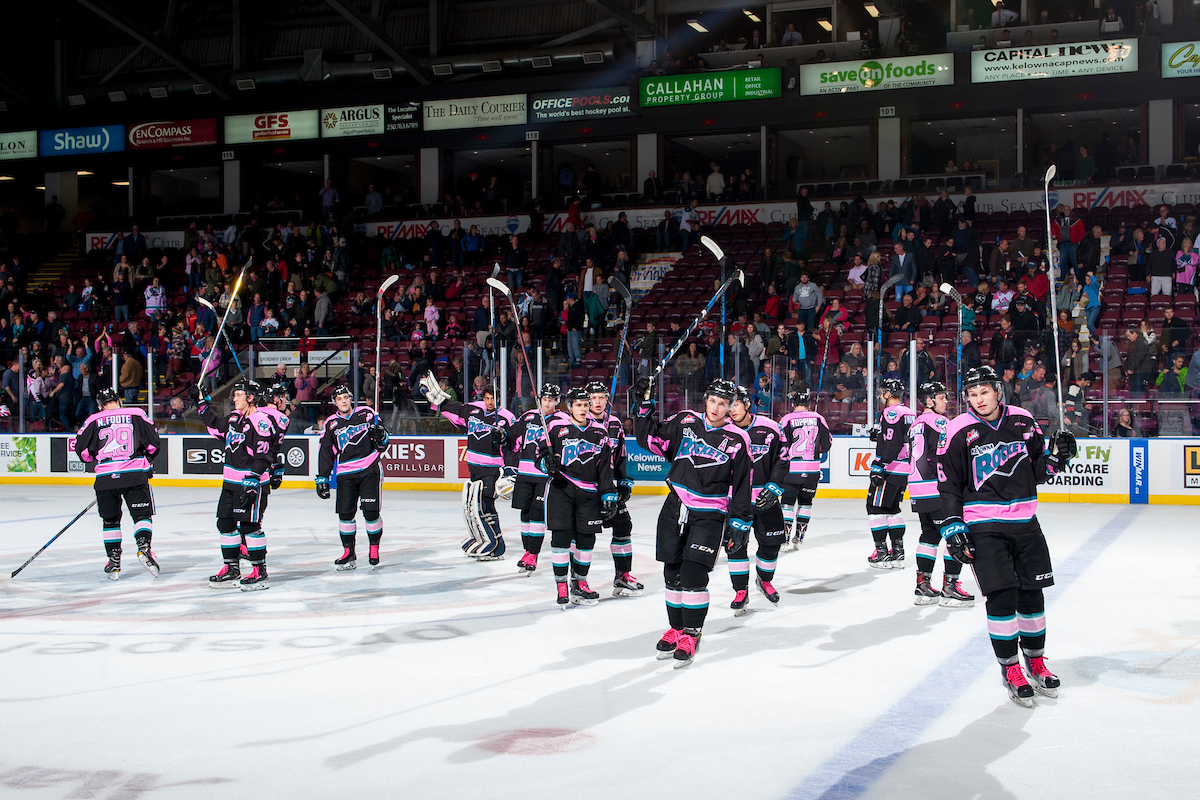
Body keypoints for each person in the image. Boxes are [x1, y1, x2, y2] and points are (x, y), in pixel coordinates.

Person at [938, 365, 1077, 706]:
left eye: (983, 391)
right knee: (1002, 597)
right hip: (984, 528)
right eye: (972, 394)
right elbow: (948, 484)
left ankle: (1037, 661)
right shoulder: (958, 429)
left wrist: (1057, 460)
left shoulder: (1022, 421)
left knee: (1032, 595)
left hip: (1026, 523)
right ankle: (1011, 667)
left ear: (997, 391)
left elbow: (1037, 470)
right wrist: (952, 526)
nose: (978, 399)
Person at [634, 377, 752, 668]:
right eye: (712, 400)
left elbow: (742, 486)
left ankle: (691, 633)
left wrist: (739, 523)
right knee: (672, 574)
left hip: (710, 515)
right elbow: (650, 439)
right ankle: (676, 629)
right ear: (706, 399)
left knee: (693, 575)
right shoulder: (685, 421)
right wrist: (642, 407)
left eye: (723, 403)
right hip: (676, 506)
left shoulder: (738, 439)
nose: (716, 407)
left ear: (730, 407)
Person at [73, 386, 162, 580]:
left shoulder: (93, 420)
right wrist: (147, 459)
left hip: (105, 478)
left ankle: (114, 561)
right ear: (118, 400)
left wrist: (94, 459)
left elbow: (81, 449)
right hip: (134, 474)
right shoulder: (137, 413)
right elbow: (154, 443)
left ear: (100, 405)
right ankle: (144, 548)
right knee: (142, 516)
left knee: (111, 520)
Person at [421, 376, 515, 559]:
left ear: (500, 398)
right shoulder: (473, 410)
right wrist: (437, 401)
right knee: (472, 505)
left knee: (485, 504)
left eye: (493, 398)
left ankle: (495, 544)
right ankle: (485, 540)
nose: (490, 402)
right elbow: (450, 407)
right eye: (487, 398)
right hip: (474, 467)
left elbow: (514, 445)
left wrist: (504, 443)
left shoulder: (507, 417)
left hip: (492, 469)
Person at [541, 386, 618, 607]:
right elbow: (540, 456)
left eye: (586, 405)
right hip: (561, 489)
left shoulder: (600, 433)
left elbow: (605, 469)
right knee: (561, 539)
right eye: (579, 405)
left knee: (586, 540)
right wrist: (547, 463)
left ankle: (580, 582)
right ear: (569, 407)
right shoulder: (555, 428)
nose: (583, 409)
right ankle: (561, 584)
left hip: (589, 493)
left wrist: (608, 494)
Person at [197, 380, 275, 590]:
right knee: (225, 523)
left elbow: (264, 455)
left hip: (251, 483)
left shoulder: (261, 422)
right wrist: (203, 405)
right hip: (230, 483)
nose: (234, 398)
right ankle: (231, 567)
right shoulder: (234, 418)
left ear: (250, 397)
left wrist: (253, 477)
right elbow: (214, 424)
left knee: (250, 526)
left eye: (238, 395)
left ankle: (260, 570)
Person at [908, 381, 974, 608]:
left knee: (929, 535)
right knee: (953, 534)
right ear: (929, 401)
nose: (946, 401)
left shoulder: (915, 424)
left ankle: (923, 584)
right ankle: (950, 586)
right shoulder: (939, 421)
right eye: (941, 397)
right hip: (937, 488)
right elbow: (945, 453)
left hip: (918, 488)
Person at [724, 386, 789, 615]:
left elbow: (782, 460)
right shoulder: (723, 431)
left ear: (747, 405)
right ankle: (740, 590)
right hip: (735, 501)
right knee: (735, 546)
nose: (731, 410)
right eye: (728, 405)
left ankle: (765, 580)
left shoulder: (770, 428)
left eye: (736, 405)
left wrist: (774, 487)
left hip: (766, 499)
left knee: (771, 544)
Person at [316, 384, 390, 571]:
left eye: (346, 398)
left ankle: (374, 547)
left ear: (351, 399)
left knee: (371, 512)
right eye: (339, 399)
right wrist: (322, 478)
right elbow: (326, 452)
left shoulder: (367, 413)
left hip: (369, 469)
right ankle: (349, 552)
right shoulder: (331, 424)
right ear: (335, 403)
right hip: (345, 474)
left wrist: (381, 436)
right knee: (345, 515)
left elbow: (384, 441)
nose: (343, 401)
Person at [587, 381, 643, 596]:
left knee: (623, 527)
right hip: (588, 489)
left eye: (602, 397)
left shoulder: (614, 424)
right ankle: (578, 579)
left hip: (610, 488)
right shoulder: (581, 422)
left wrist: (624, 482)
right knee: (584, 535)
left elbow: (620, 456)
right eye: (593, 397)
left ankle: (622, 576)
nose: (598, 402)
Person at [505, 384, 564, 574]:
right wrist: (501, 434)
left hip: (544, 475)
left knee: (537, 513)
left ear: (557, 401)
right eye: (544, 399)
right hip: (524, 472)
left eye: (551, 400)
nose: (547, 403)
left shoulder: (561, 420)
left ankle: (533, 553)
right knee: (525, 512)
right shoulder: (529, 416)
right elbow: (512, 437)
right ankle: (526, 551)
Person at [866, 378, 914, 569]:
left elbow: (893, 443)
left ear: (888, 394)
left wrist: (880, 462)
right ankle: (898, 551)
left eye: (883, 392)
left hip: (891, 467)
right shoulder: (910, 413)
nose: (880, 395)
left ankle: (882, 553)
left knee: (874, 507)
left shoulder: (891, 412)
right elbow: (901, 437)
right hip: (905, 469)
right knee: (893, 509)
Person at [777, 389, 832, 551]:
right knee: (806, 502)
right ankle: (799, 537)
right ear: (808, 404)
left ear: (793, 404)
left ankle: (785, 538)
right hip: (812, 469)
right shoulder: (818, 418)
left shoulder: (787, 419)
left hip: (791, 470)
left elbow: (780, 443)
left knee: (787, 503)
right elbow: (827, 444)